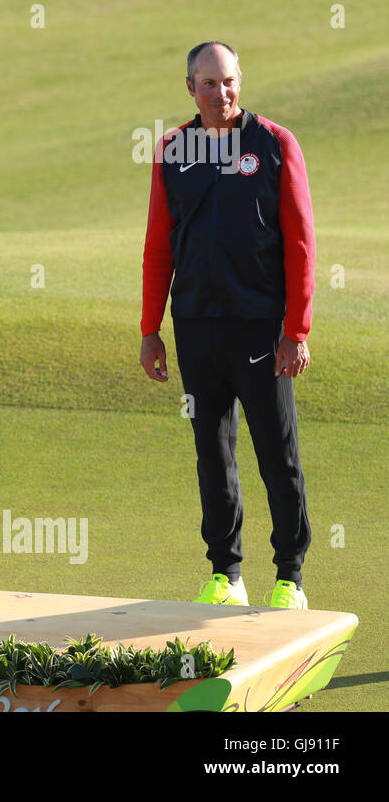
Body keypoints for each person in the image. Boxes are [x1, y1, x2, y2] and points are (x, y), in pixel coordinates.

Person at [140, 41, 315, 609]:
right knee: (212, 453)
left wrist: (296, 330)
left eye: (230, 80)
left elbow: (300, 243)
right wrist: (150, 328)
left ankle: (289, 577)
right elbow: (158, 245)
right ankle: (226, 575)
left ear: (241, 80)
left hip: (260, 328)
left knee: (276, 454)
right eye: (210, 83)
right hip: (196, 326)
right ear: (191, 88)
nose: (223, 93)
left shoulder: (274, 144)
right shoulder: (173, 150)